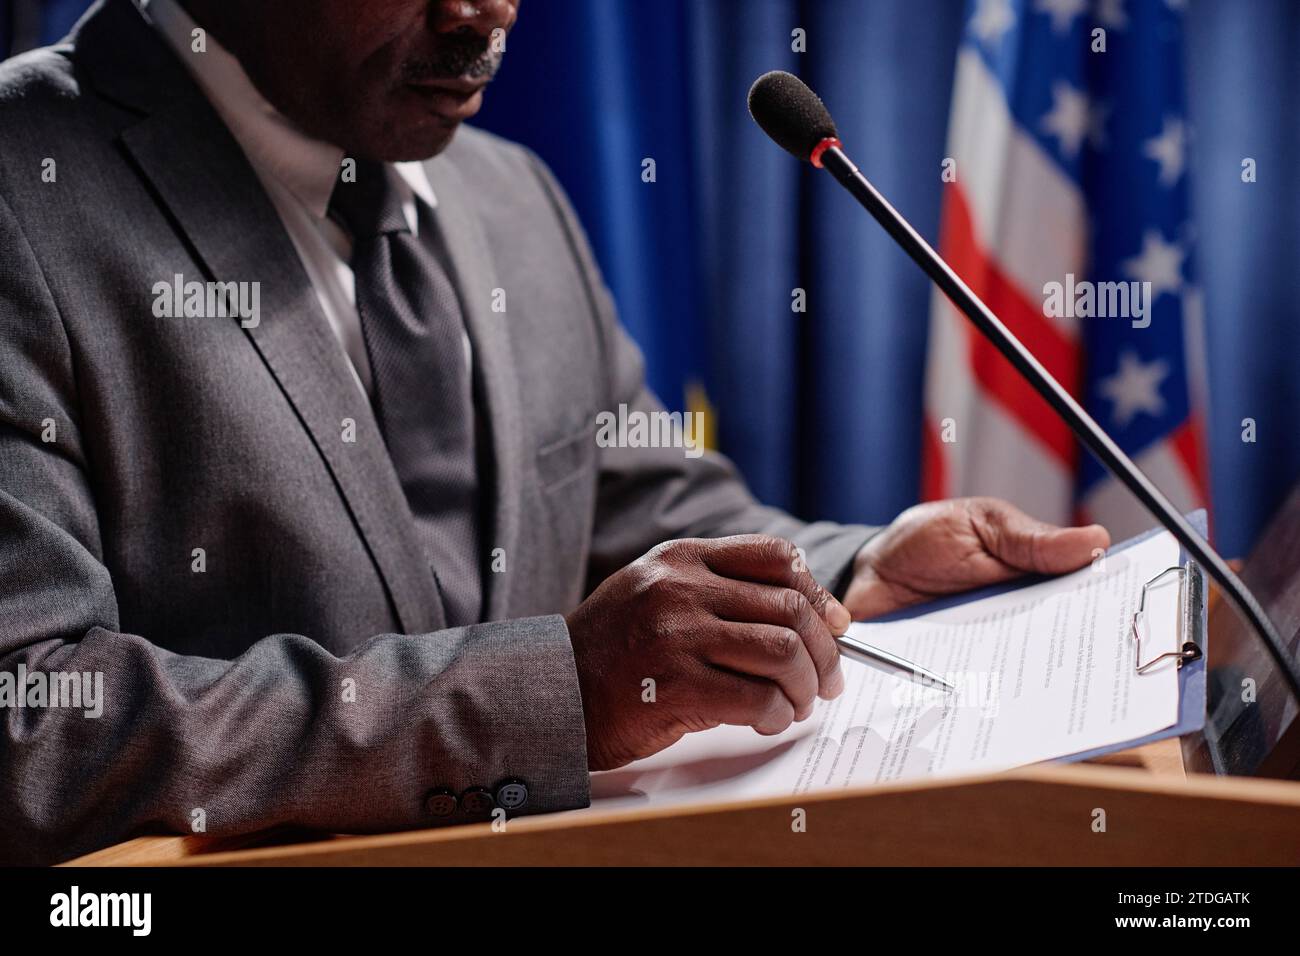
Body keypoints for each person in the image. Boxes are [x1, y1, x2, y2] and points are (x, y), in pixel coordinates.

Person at [0, 0, 1108, 865]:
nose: (484, 14)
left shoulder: (510, 193)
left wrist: (852, 567)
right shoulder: (23, 188)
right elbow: (36, 730)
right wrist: (559, 691)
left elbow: (639, 507)